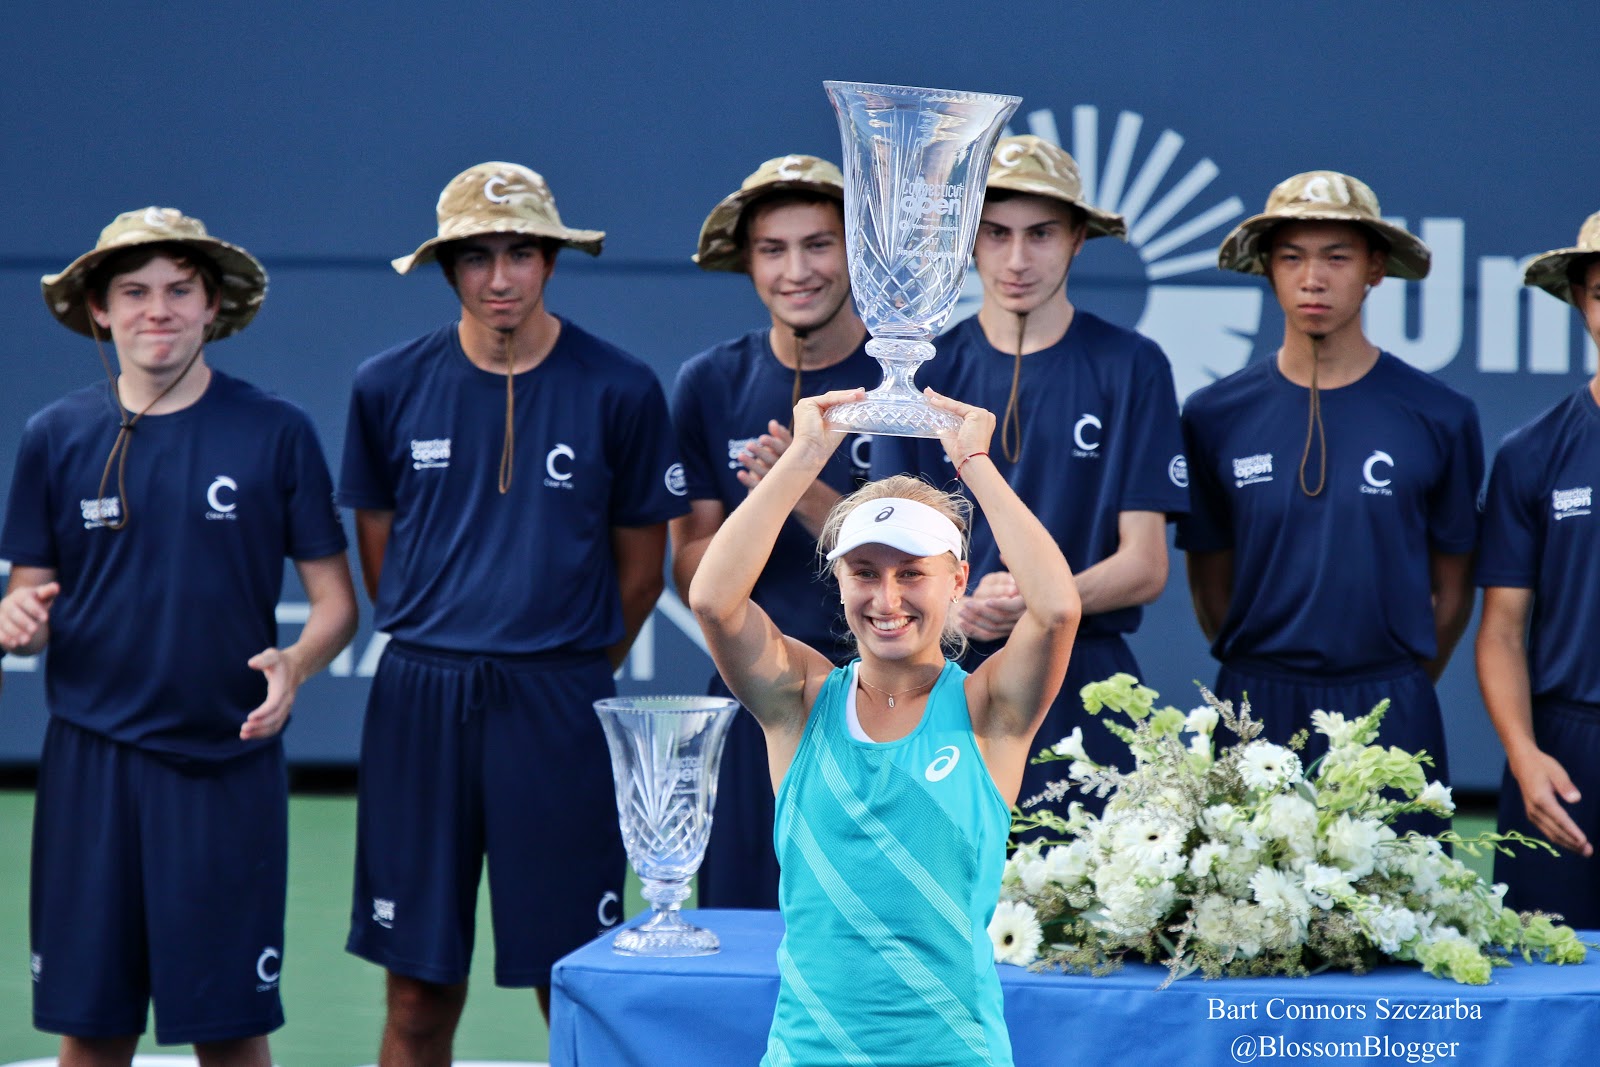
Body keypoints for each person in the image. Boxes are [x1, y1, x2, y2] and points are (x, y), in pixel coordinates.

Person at [339, 161, 686, 1062]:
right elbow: (382, 552)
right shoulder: (386, 384)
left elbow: (642, 569)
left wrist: (563, 666)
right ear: (449, 268)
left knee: (570, 977)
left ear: (551, 262)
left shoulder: (621, 386)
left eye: (521, 253)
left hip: (558, 701)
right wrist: (442, 633)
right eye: (478, 256)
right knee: (416, 993)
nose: (501, 277)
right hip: (420, 699)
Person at [0, 207, 357, 1066]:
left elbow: (336, 601)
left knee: (231, 1032)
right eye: (134, 291)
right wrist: (18, 623)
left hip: (224, 765)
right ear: (100, 310)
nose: (155, 309)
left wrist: (297, 663)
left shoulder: (275, 431)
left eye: (177, 290)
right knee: (92, 1033)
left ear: (212, 306)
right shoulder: (54, 435)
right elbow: (24, 600)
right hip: (91, 765)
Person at [690, 386, 1079, 1066]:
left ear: (958, 579)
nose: (887, 597)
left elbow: (1056, 609)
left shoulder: (990, 711)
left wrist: (975, 462)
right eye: (864, 571)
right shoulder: (800, 700)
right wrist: (807, 454)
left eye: (912, 573)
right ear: (838, 580)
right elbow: (713, 599)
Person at [870, 135, 1186, 815]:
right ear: (968, 240)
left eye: (1041, 234)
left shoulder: (1133, 364)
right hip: (949, 673)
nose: (1016, 259)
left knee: (1102, 912)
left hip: (1091, 677)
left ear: (1077, 238)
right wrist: (953, 607)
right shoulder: (921, 374)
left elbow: (1146, 565)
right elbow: (888, 552)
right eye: (995, 233)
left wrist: (1043, 598)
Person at [1179, 171, 1483, 793]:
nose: (1312, 278)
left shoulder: (1441, 414)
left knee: (1404, 891)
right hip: (1253, 699)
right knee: (1241, 891)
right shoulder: (1214, 414)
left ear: (1375, 268)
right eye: (1292, 257)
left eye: (1336, 258)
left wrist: (1399, 680)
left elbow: (1454, 584)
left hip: (1390, 698)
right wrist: (1265, 662)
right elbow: (1210, 578)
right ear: (1267, 268)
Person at [671, 154, 878, 908]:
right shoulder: (708, 381)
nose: (798, 270)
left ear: (857, 249)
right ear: (748, 262)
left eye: (819, 244)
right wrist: (766, 507)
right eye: (773, 249)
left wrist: (812, 496)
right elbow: (692, 568)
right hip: (749, 694)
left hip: (880, 696)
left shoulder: (908, 379)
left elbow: (945, 558)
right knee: (740, 927)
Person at [1476, 211, 1600, 922]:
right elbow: (1500, 631)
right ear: (1580, 301)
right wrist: (1523, 753)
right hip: (1564, 757)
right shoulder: (1531, 452)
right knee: (1546, 984)